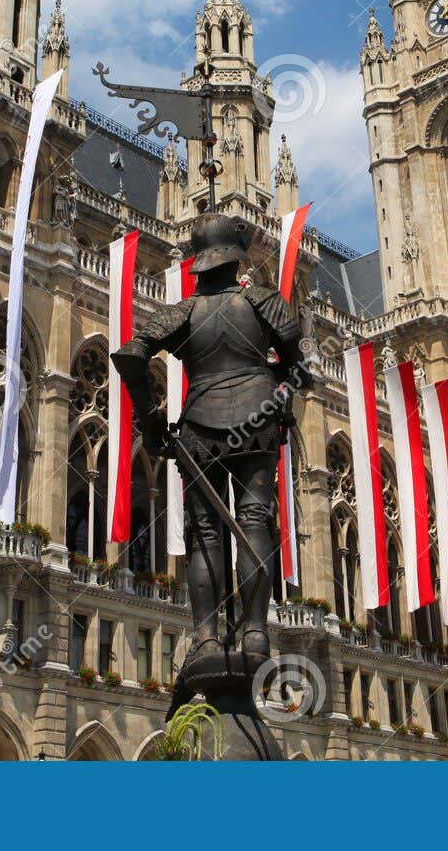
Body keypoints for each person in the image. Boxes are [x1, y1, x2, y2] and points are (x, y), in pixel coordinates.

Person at [111, 213, 305, 672]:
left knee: (205, 536)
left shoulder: (184, 312)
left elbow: (130, 355)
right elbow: (296, 362)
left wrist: (151, 421)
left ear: (199, 264)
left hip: (199, 429)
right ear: (236, 260)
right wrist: (278, 388)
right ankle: (256, 634)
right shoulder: (263, 302)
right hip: (256, 423)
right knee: (255, 523)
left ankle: (206, 640)